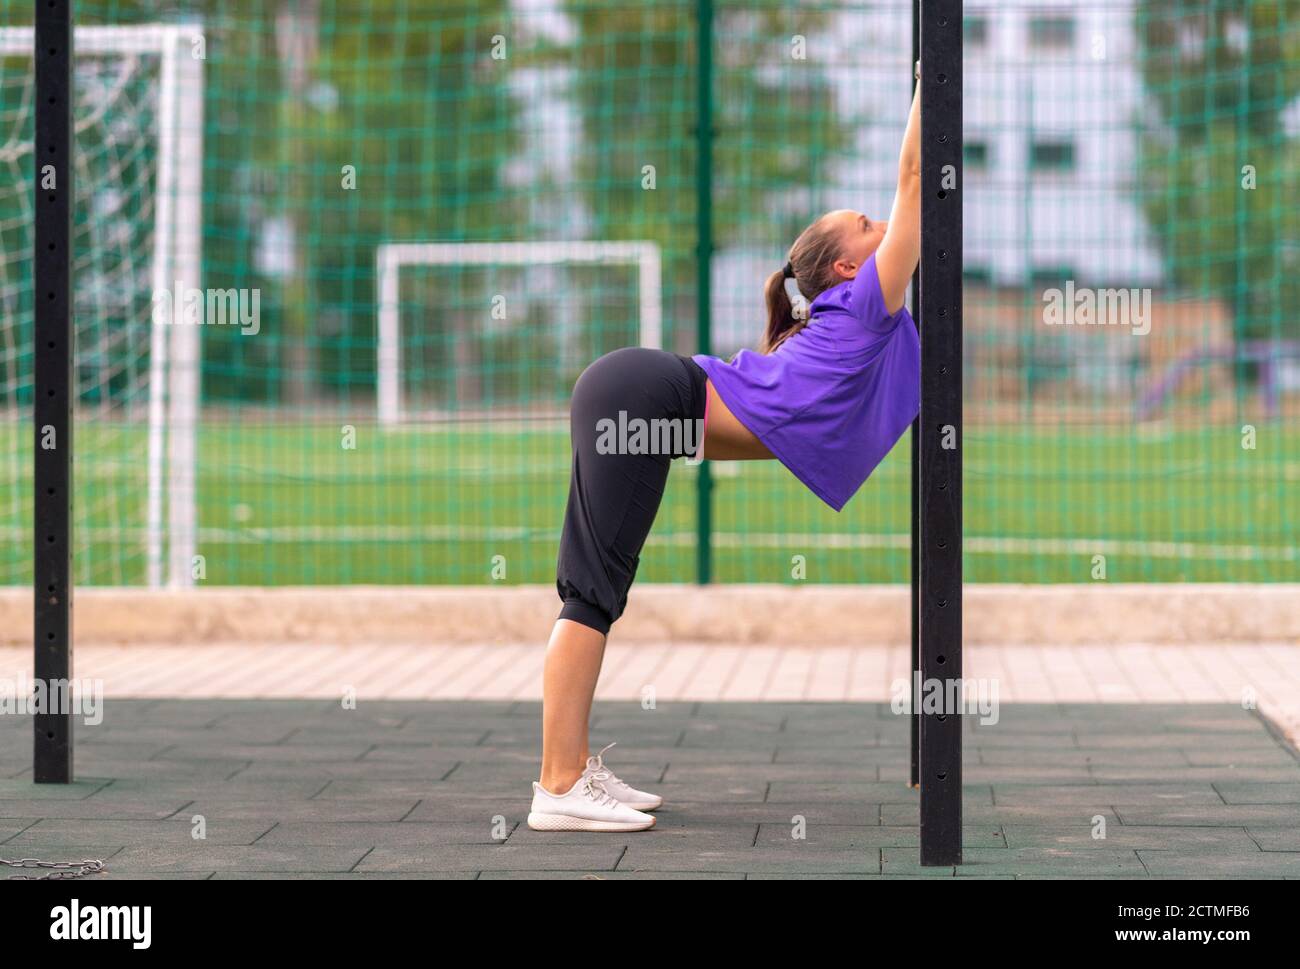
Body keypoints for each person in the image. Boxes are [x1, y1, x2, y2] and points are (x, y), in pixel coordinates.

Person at [529, 84, 923, 832]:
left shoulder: (855, 317)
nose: (884, 224)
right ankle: (559, 784)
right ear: (846, 268)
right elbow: (912, 180)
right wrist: (925, 83)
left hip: (643, 401)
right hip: (642, 396)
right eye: (866, 226)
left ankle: (573, 767)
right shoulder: (870, 300)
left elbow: (905, 196)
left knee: (599, 589)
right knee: (591, 593)